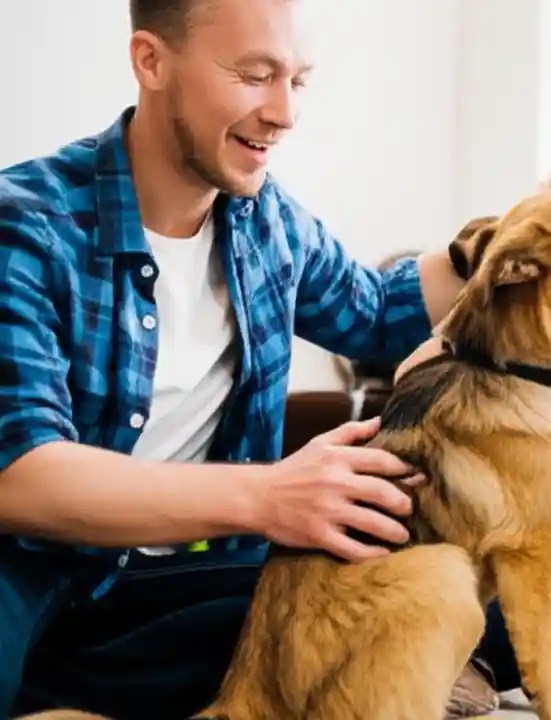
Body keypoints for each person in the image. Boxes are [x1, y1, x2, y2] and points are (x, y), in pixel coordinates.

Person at [0, 1, 470, 716]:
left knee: (445, 596)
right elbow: (21, 477)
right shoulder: (27, 224)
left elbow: (376, 312)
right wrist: (270, 497)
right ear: (150, 62)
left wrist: (517, 236)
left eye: (298, 79)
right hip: (34, 578)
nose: (284, 113)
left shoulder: (266, 222)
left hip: (185, 582)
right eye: (254, 76)